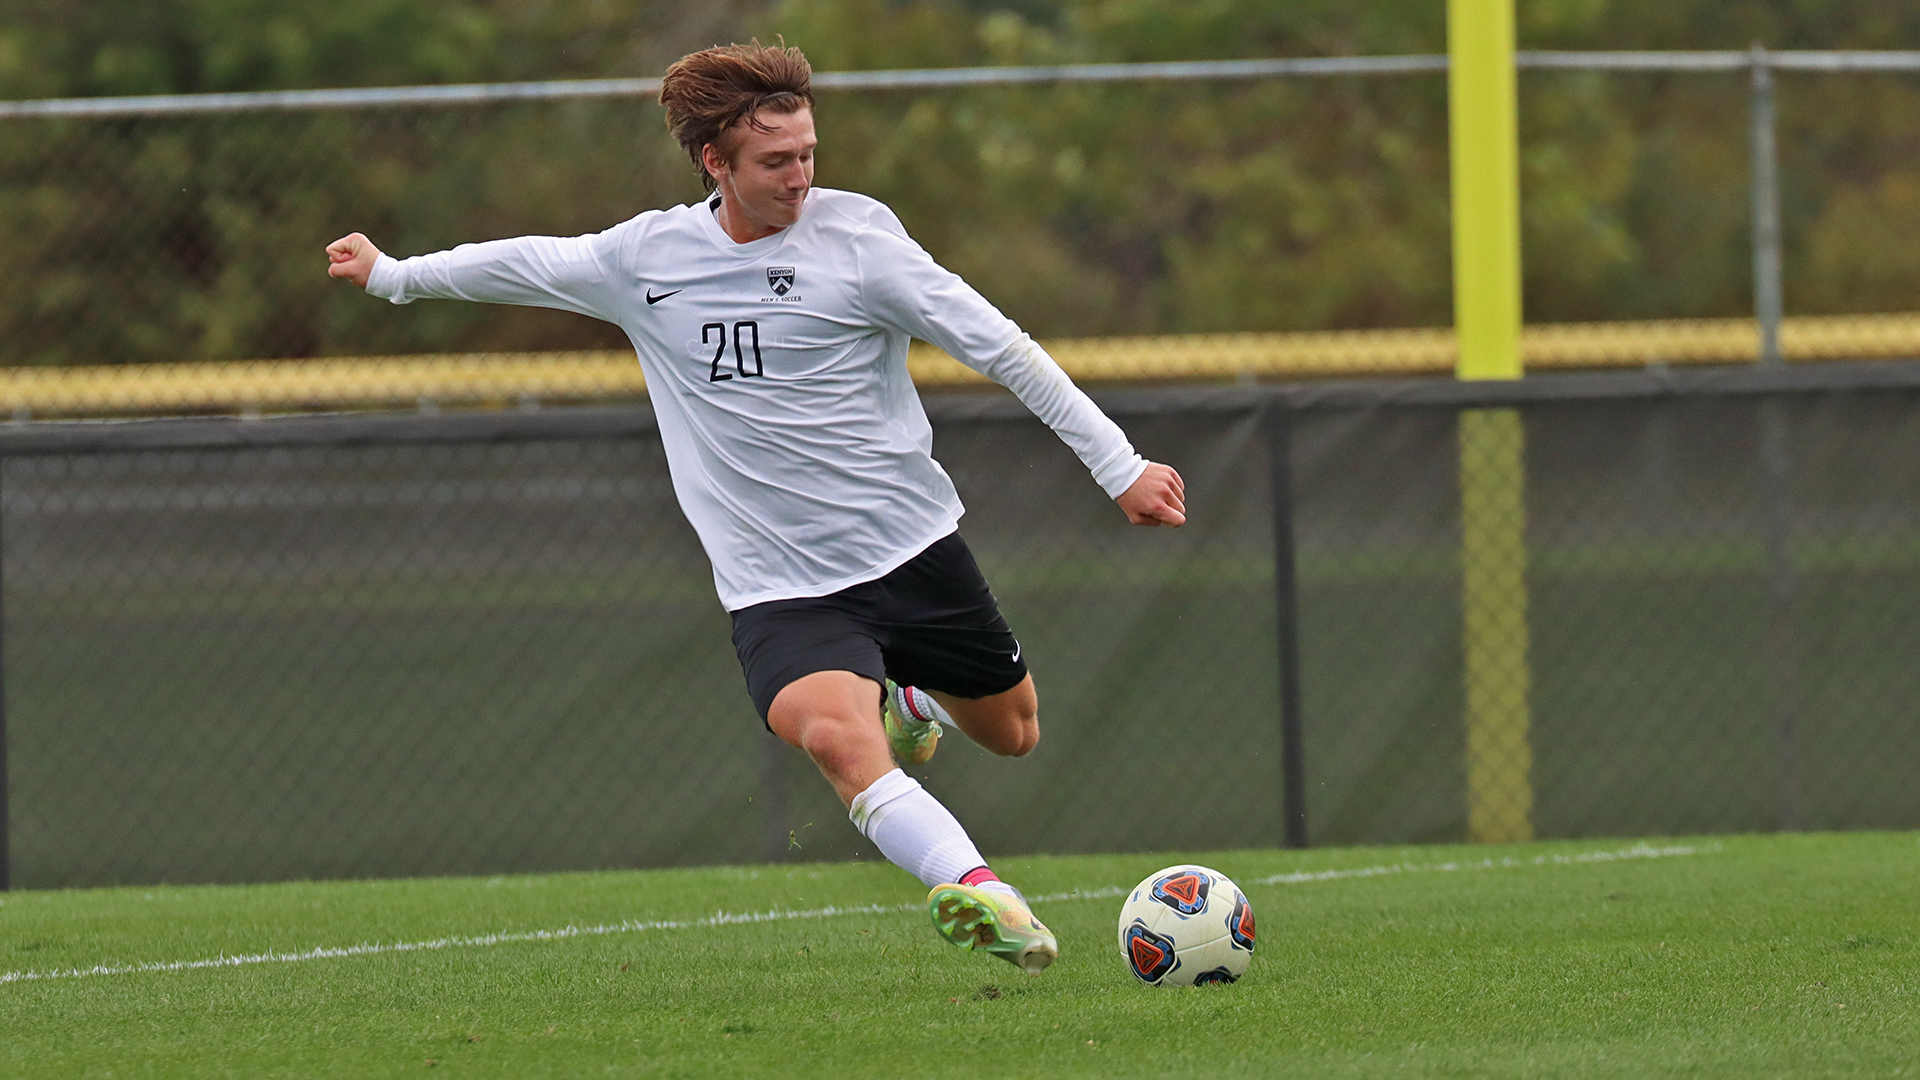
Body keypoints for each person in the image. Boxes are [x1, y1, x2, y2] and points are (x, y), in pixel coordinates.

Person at [326, 40, 1185, 977]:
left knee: (1012, 733)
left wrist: (1121, 467)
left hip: (910, 551)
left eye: (808, 153)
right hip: (778, 585)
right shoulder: (648, 259)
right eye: (776, 161)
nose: (799, 176)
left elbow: (1002, 347)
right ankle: (979, 890)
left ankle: (908, 694)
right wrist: (393, 274)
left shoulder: (862, 247)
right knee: (837, 741)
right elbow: (530, 262)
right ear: (715, 162)